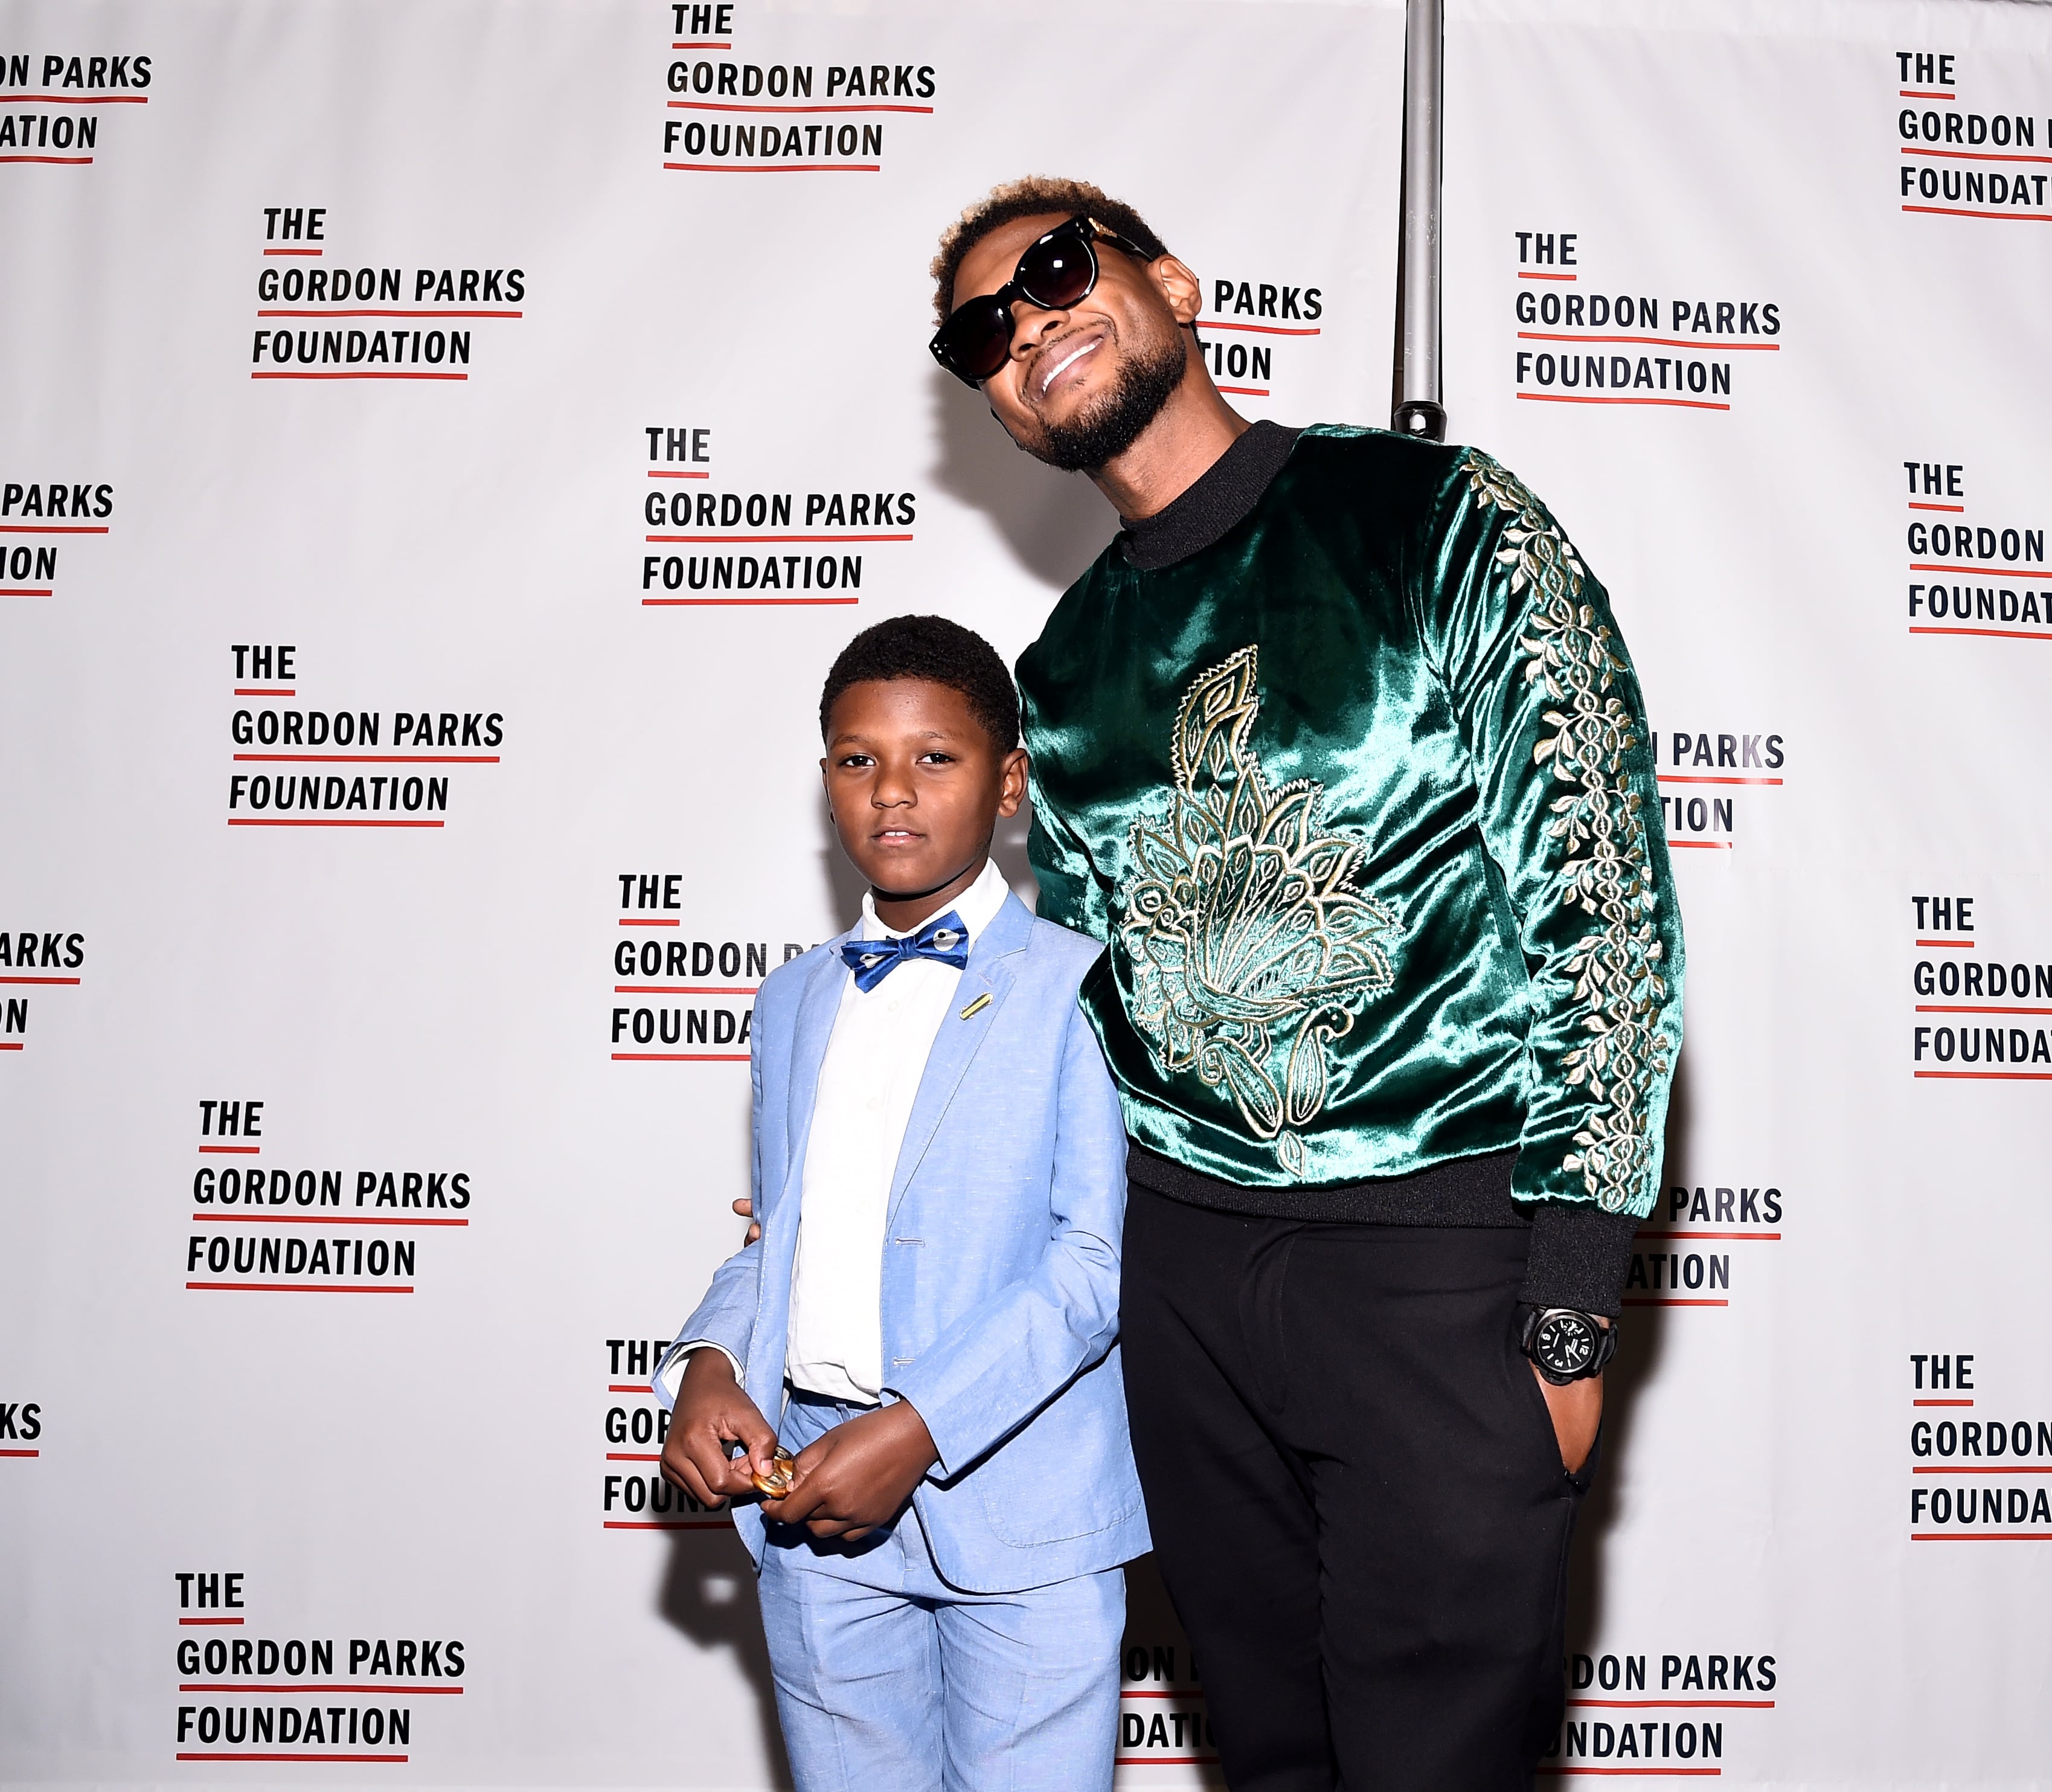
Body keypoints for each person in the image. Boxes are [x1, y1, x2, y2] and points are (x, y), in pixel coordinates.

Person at [926, 178, 1688, 1791]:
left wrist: (1565, 1302)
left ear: (1178, 286)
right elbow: (1083, 1024)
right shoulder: (1062, 672)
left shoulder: (1435, 519)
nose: (1030, 322)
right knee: (1272, 1764)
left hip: (1438, 1265)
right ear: (991, 400)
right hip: (1182, 1287)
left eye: (1060, 270)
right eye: (982, 329)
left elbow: (1596, 885)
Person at [652, 614, 1146, 1791]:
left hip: (1021, 1504)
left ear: (1011, 781)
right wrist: (708, 1364)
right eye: (856, 757)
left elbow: (1092, 1269)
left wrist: (918, 1425)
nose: (891, 791)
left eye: (936, 756)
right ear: (824, 778)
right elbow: (780, 1239)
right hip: (812, 1505)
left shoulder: (1088, 987)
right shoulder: (790, 1000)